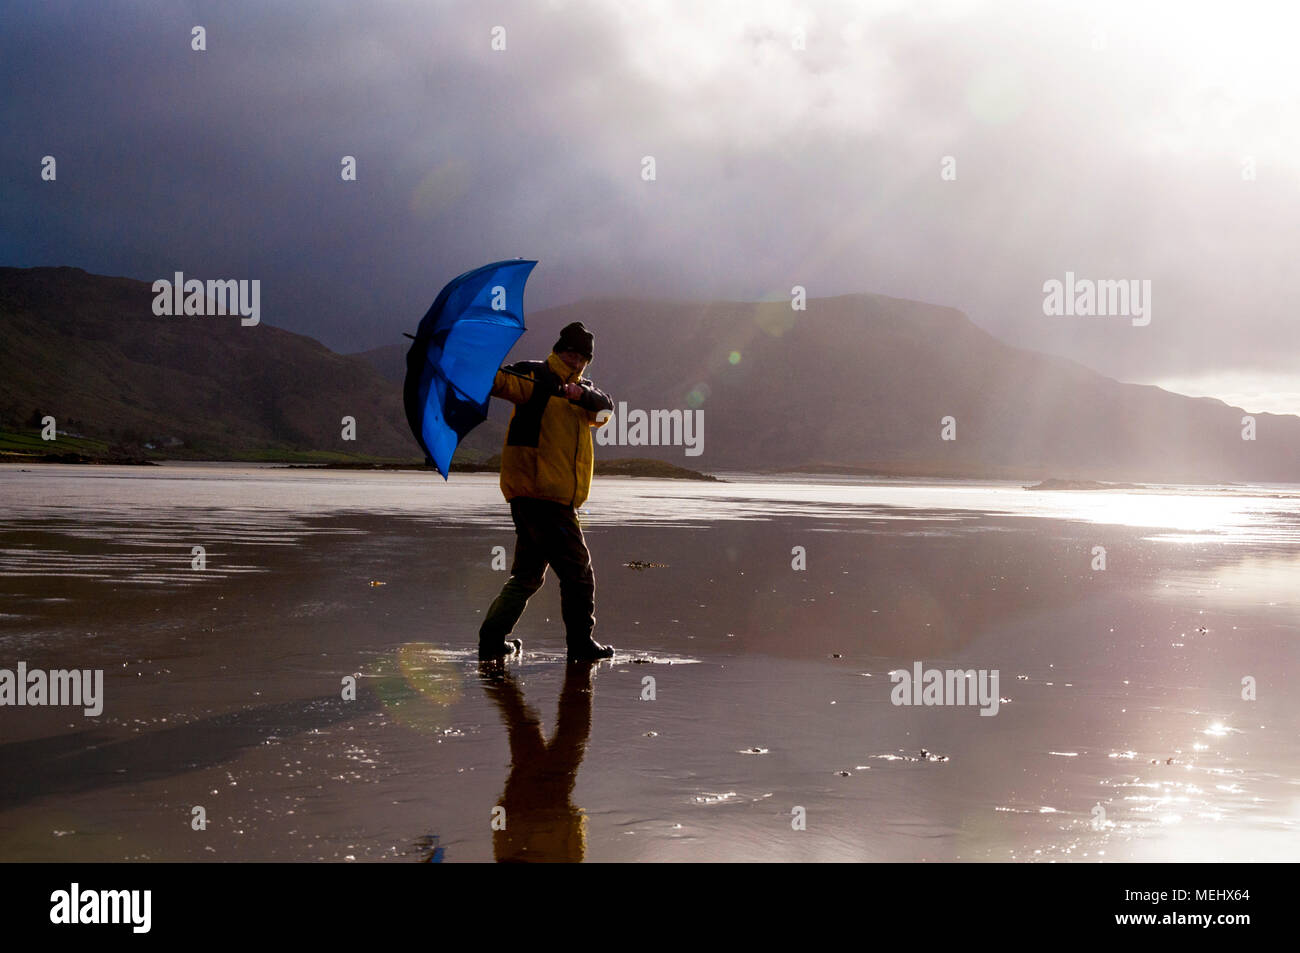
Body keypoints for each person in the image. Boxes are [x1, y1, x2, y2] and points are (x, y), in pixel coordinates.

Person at [478, 321, 616, 661]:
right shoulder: (533, 376)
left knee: (527, 575)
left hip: (543, 498)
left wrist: (579, 393)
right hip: (541, 495)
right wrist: (477, 363)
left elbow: (606, 411)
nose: (577, 361)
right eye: (572, 353)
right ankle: (581, 646)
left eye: (584, 357)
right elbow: (498, 382)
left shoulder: (582, 392)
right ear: (559, 350)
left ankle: (492, 639)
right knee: (579, 573)